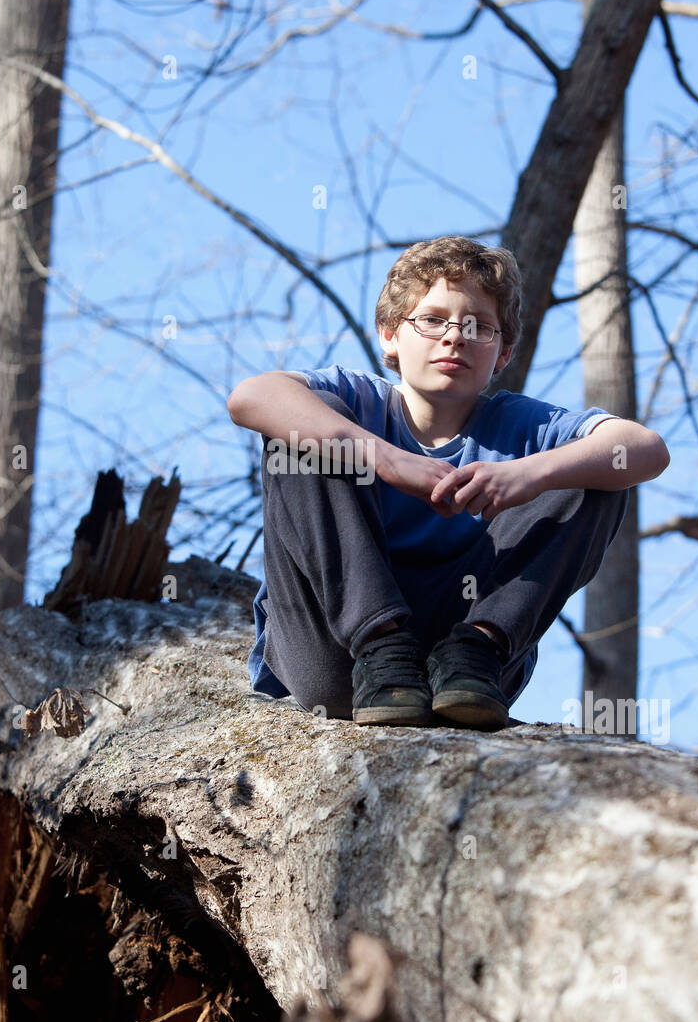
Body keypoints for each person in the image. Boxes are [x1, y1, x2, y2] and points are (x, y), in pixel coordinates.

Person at [227, 236, 670, 730]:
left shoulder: (524, 428)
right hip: (339, 661)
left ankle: (476, 642)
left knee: (594, 469)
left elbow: (646, 448)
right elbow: (251, 397)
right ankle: (381, 641)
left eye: (479, 326)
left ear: (502, 354)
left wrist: (531, 472)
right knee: (302, 437)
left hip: (470, 675)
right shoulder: (359, 400)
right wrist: (389, 461)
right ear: (390, 335)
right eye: (433, 319)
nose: (455, 336)